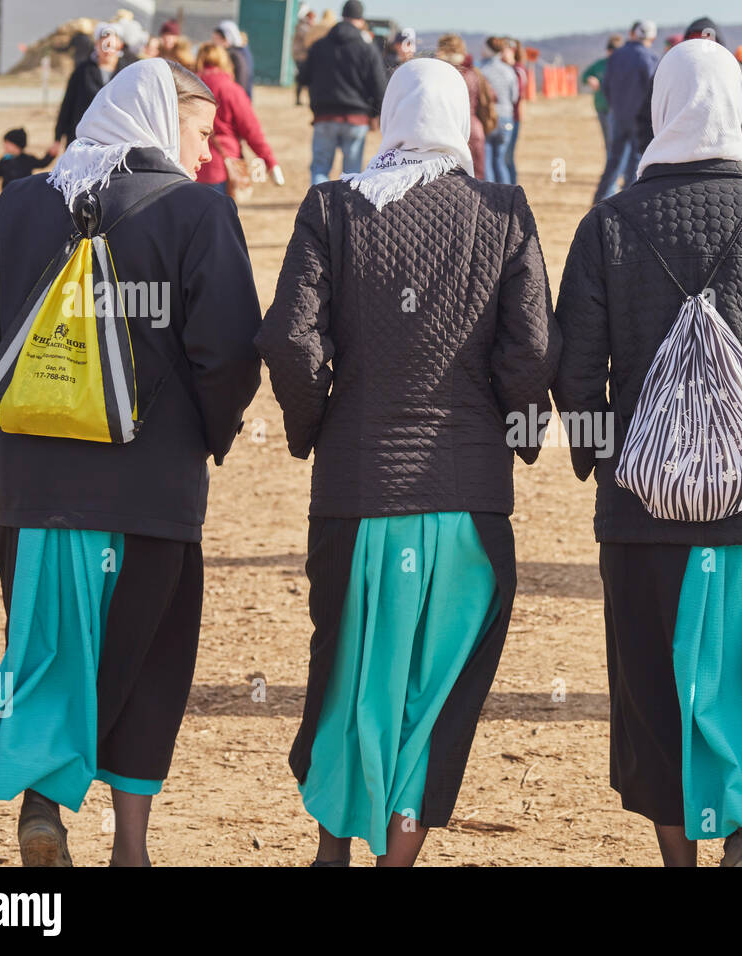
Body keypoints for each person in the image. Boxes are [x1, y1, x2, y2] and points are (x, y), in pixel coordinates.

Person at [0, 57, 263, 868]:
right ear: (163, 118)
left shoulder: (20, 204)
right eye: (201, 130)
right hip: (152, 493)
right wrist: (207, 436)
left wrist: (27, 414)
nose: (206, 149)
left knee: (49, 651)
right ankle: (131, 847)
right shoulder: (198, 211)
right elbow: (229, 353)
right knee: (149, 661)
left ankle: (44, 801)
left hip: (35, 493)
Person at [554, 39, 742, 868]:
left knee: (657, 688)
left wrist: (602, 461)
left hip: (643, 512)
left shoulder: (608, 223)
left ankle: (679, 857)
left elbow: (573, 369)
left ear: (660, 108)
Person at [257, 58, 559, 867]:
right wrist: (521, 435)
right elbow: (532, 350)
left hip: (357, 492)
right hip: (468, 501)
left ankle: (331, 850)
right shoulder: (502, 210)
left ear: (389, 116)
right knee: (437, 694)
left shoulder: (332, 206)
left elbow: (290, 339)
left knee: (351, 678)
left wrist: (315, 429)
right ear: (462, 121)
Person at [633, 18, 742, 179]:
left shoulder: (740, 81)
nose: (701, 47)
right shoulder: (667, 76)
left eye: (708, 42)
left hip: (728, 175)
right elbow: (645, 121)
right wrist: (654, 166)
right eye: (695, 41)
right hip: (669, 173)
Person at [302, 0, 387, 183]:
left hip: (324, 115)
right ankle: (347, 203)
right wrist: (375, 115)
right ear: (361, 20)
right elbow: (379, 86)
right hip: (356, 118)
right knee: (352, 176)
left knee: (320, 170)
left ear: (343, 16)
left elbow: (303, 77)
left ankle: (318, 202)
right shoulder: (367, 49)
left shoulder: (319, 46)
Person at [194, 43, 284, 195]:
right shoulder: (231, 89)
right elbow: (251, 130)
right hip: (221, 167)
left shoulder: (188, 87)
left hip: (190, 165)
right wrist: (270, 162)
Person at [592, 19, 657, 202]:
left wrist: (616, 107)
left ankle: (600, 200)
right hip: (640, 119)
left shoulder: (616, 55)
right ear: (652, 37)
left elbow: (606, 86)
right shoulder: (650, 58)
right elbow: (653, 91)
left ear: (633, 33)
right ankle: (628, 201)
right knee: (636, 162)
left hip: (618, 116)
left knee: (614, 159)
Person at [52, 23, 123, 157]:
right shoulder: (82, 71)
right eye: (104, 45)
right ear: (96, 45)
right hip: (83, 140)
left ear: (119, 45)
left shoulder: (127, 72)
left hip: (115, 141)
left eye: (111, 45)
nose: (107, 50)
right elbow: (68, 104)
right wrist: (57, 138)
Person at [435, 34, 490, 179]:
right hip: (475, 128)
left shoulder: (445, 73)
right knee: (477, 180)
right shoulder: (474, 72)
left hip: (452, 131)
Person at [480, 37, 518, 184]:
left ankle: (489, 194)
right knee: (501, 160)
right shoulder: (508, 71)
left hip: (488, 118)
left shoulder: (481, 70)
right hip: (506, 118)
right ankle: (506, 194)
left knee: (487, 162)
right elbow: (514, 96)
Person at [0, 128, 54, 199]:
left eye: (8, 143)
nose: (5, 145)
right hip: (7, 195)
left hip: (25, 194)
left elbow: (42, 163)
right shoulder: (4, 161)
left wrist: (50, 155)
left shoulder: (28, 159)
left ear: (16, 145)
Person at [581, 35, 623, 157]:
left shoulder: (623, 66)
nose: (610, 52)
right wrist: (589, 79)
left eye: (614, 49)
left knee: (614, 139)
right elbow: (584, 76)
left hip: (616, 108)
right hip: (601, 106)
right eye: (609, 49)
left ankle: (614, 161)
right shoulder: (599, 65)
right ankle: (610, 160)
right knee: (607, 139)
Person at [214, 20, 254, 101]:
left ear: (226, 39)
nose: (214, 42)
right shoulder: (238, 52)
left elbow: (241, 82)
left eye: (216, 39)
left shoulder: (236, 55)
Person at [506, 38, 528, 184]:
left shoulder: (518, 70)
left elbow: (517, 94)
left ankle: (512, 187)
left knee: (508, 158)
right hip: (510, 116)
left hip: (513, 117)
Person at [293, 7, 317, 103]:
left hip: (302, 55)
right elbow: (308, 39)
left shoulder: (304, 26)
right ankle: (298, 99)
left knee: (302, 77)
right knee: (302, 77)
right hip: (300, 56)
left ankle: (299, 99)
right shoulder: (303, 27)